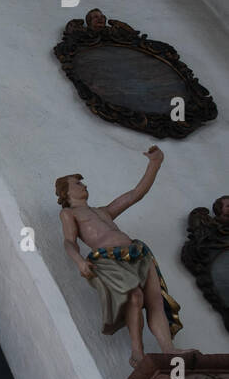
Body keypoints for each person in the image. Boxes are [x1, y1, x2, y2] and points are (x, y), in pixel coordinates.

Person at [56, 146, 185, 366]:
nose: (84, 185)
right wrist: (79, 261)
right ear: (66, 192)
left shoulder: (104, 211)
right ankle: (137, 352)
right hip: (107, 259)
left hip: (137, 252)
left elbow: (136, 193)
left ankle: (169, 349)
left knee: (155, 300)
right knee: (134, 296)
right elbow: (69, 241)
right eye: (77, 183)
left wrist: (155, 164)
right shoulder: (69, 213)